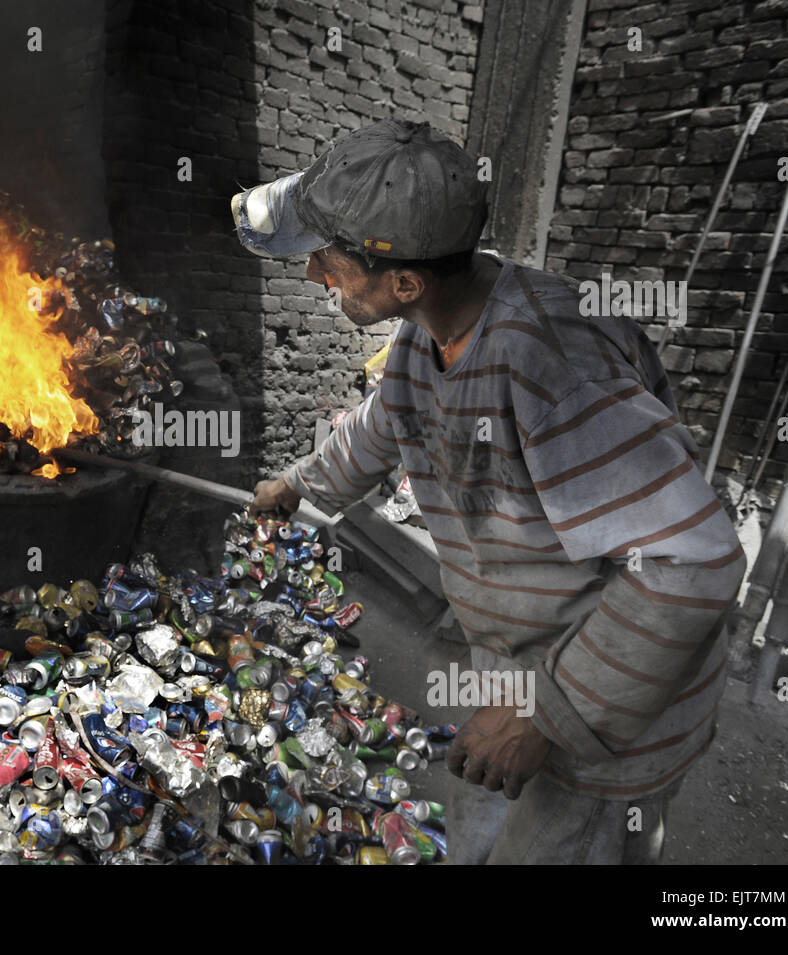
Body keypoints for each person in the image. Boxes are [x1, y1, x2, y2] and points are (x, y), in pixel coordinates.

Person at [231, 118, 745, 864]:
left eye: (329, 262)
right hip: (535, 671)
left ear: (404, 281)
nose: (315, 276)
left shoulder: (551, 368)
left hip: (611, 733)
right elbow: (383, 424)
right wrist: (297, 485)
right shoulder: (427, 329)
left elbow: (693, 562)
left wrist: (546, 717)